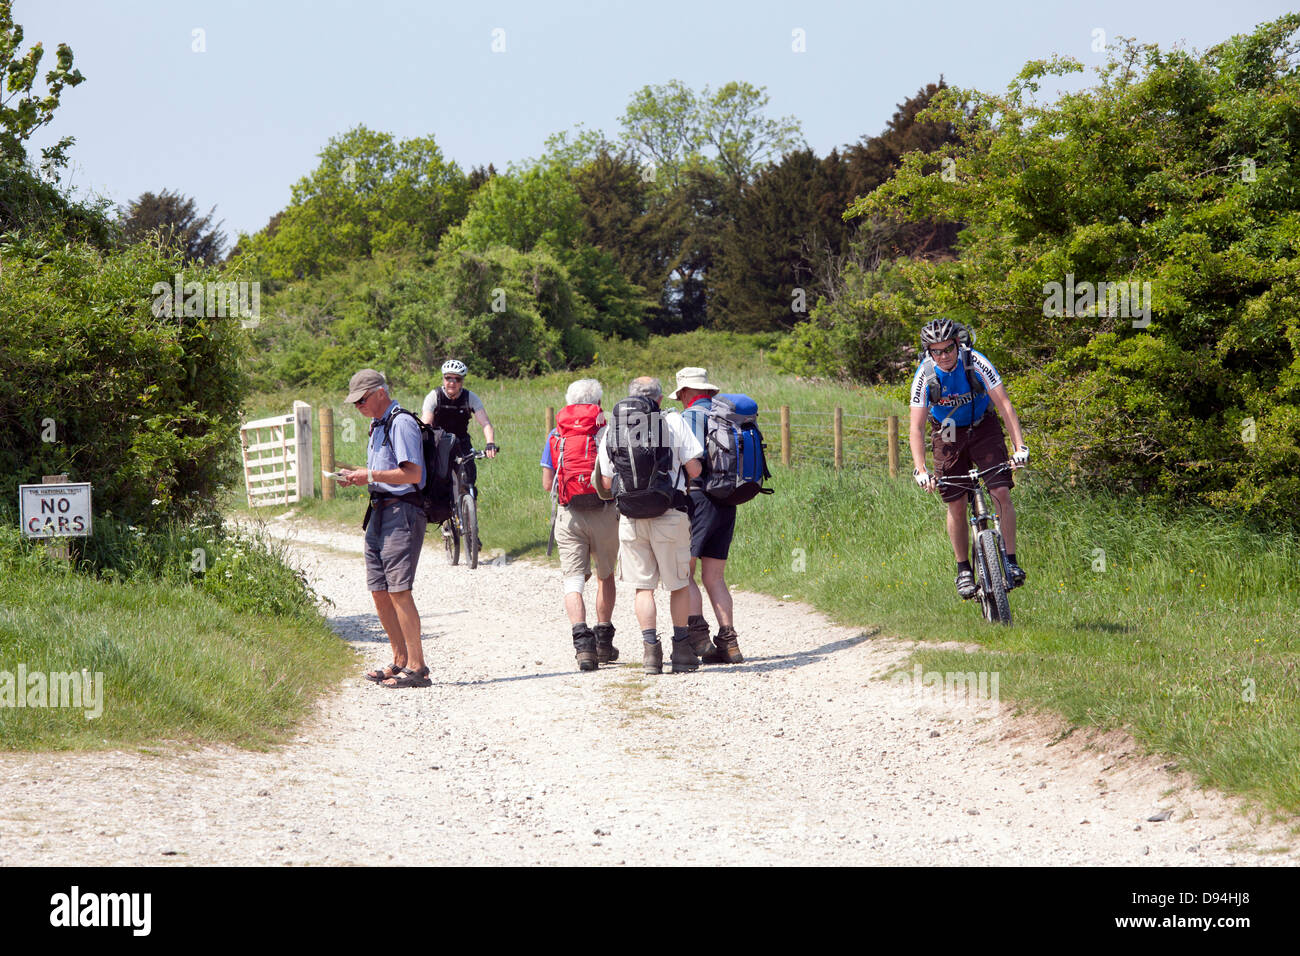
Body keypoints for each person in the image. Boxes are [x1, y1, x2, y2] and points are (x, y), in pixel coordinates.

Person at [907, 319, 1030, 599]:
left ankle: (1010, 561)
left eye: (948, 349)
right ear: (928, 352)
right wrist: (920, 469)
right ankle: (964, 569)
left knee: (1000, 490)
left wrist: (1020, 447)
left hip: (982, 425)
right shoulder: (924, 375)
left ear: (957, 343)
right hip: (947, 432)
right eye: (935, 351)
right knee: (955, 502)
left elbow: (1005, 405)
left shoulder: (976, 362)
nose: (943, 356)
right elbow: (915, 427)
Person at [596, 377, 704, 675]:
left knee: (643, 588)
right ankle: (681, 650)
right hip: (671, 513)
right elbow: (694, 468)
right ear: (659, 399)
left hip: (631, 517)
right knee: (678, 584)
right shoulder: (673, 421)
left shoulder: (612, 429)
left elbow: (606, 482)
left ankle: (650, 654)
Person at [338, 369, 430, 688]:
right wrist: (361, 478)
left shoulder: (401, 422)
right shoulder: (376, 425)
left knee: (399, 591)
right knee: (379, 590)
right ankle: (399, 660)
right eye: (354, 402)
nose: (358, 406)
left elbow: (412, 474)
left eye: (362, 400)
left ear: (380, 393)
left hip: (402, 514)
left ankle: (418, 668)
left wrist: (371, 475)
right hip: (379, 512)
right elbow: (381, 474)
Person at [541, 379, 619, 671]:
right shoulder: (607, 430)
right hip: (604, 510)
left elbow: (548, 482)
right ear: (598, 402)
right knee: (605, 575)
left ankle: (582, 646)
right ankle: (603, 640)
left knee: (573, 581)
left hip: (569, 513)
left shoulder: (556, 432)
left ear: (569, 402)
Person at [672, 367, 743, 664]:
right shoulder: (728, 415)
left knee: (685, 572)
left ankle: (699, 639)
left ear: (686, 392)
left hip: (699, 498)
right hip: (728, 499)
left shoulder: (690, 417)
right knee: (715, 577)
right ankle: (730, 643)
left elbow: (690, 464)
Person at [421, 359, 498, 492]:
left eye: (457, 379)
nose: (452, 382)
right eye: (448, 378)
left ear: (462, 381)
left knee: (469, 479)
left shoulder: (470, 397)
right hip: (439, 442)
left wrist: (490, 443)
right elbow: (426, 422)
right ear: (443, 379)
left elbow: (485, 423)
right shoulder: (434, 396)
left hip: (462, 441)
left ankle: (469, 505)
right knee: (433, 482)